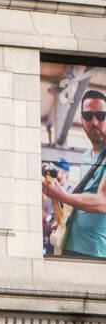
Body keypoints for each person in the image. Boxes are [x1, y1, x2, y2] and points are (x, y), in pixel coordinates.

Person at [42, 87, 106, 258]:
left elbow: (102, 202)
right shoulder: (86, 156)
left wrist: (62, 195)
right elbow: (83, 200)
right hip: (71, 245)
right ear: (81, 119)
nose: (94, 122)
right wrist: (64, 222)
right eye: (88, 116)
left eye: (100, 116)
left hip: (96, 252)